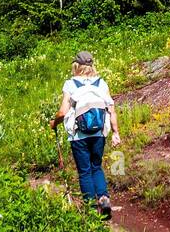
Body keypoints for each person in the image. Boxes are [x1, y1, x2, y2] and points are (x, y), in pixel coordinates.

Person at [51, 50, 120, 219]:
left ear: (76, 65)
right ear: (92, 65)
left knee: (84, 171)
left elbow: (62, 112)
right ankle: (103, 198)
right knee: (96, 166)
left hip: (78, 135)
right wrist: (116, 133)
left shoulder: (71, 84)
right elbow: (111, 110)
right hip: (99, 133)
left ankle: (90, 209)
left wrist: (54, 123)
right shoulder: (101, 83)